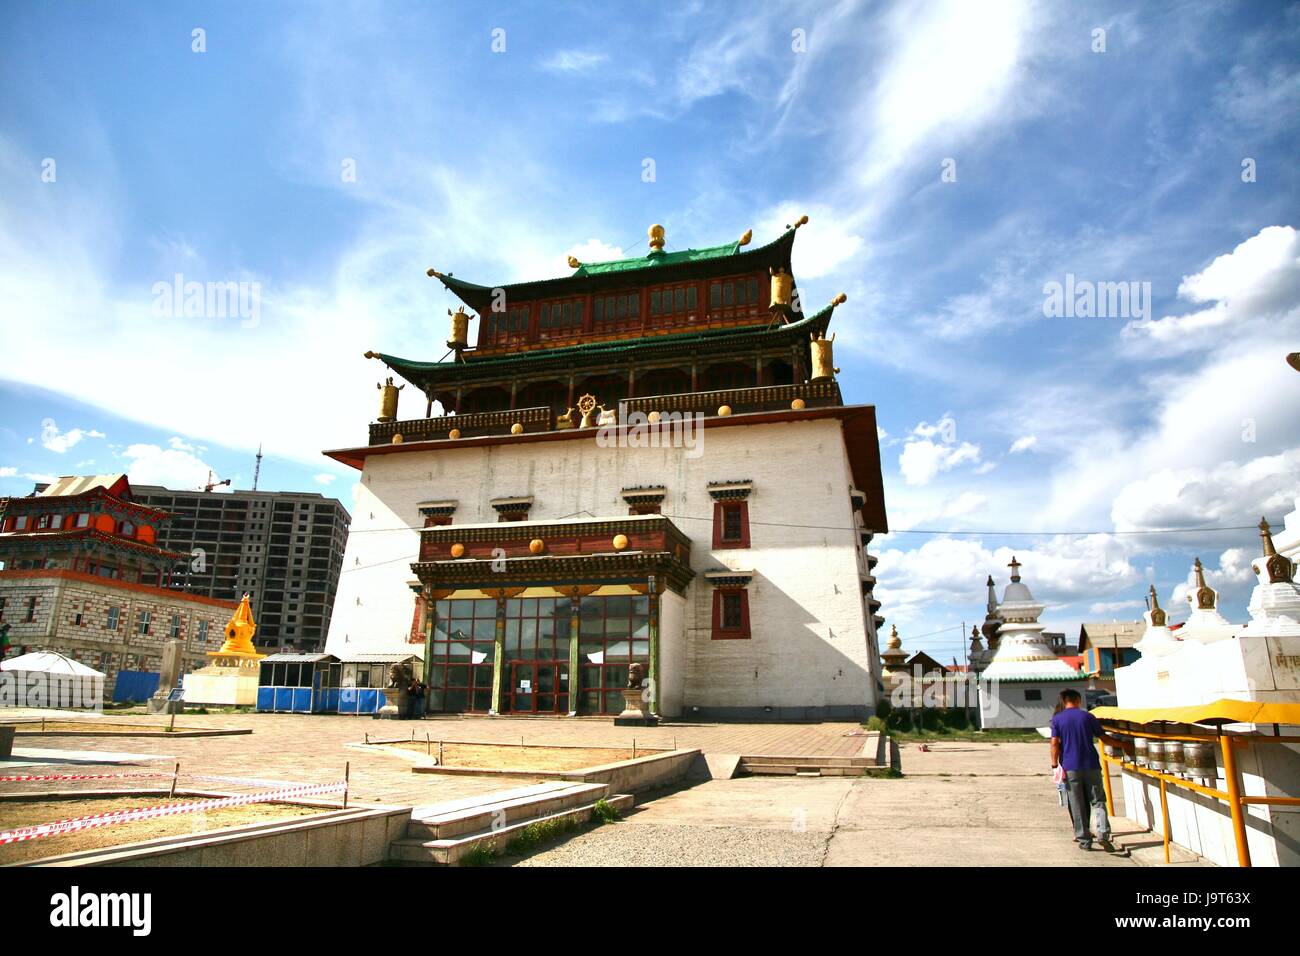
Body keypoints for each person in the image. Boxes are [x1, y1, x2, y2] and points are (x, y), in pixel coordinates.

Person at [1050, 688, 1122, 851]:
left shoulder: (1058, 719)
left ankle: (1085, 839)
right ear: (1078, 700)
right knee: (1098, 800)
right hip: (1091, 765)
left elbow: (1054, 743)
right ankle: (1103, 833)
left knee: (1077, 803)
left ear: (1064, 701)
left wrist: (1054, 765)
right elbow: (1104, 737)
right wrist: (1124, 745)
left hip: (1070, 767)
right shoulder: (1088, 716)